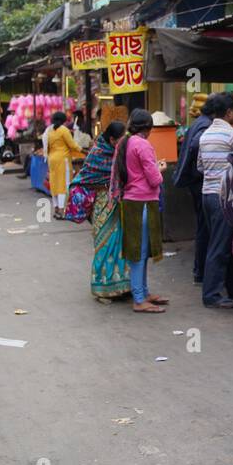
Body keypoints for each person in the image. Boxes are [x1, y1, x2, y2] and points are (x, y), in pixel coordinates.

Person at [67, 121, 132, 301]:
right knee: (104, 243)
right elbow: (86, 177)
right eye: (119, 141)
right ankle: (102, 289)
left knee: (120, 243)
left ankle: (122, 286)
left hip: (118, 203)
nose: (122, 144)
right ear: (111, 139)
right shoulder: (97, 154)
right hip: (103, 202)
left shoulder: (121, 153)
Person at [111, 108, 167, 313]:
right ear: (148, 128)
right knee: (139, 253)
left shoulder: (124, 143)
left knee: (139, 252)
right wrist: (160, 169)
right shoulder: (143, 145)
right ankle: (139, 298)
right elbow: (154, 179)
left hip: (130, 201)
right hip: (143, 202)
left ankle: (143, 292)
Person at [197, 93, 233, 309]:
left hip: (207, 195)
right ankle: (212, 295)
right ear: (228, 113)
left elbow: (200, 167)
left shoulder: (206, 134)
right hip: (223, 197)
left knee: (219, 243)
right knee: (219, 246)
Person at [175, 95, 215, 286]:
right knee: (204, 228)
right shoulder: (205, 126)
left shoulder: (200, 122)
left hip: (195, 181)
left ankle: (200, 271)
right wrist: (203, 167)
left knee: (203, 227)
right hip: (199, 182)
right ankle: (201, 272)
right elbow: (196, 145)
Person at [43, 111, 84, 217]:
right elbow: (72, 145)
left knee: (54, 183)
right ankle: (62, 210)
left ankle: (56, 208)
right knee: (63, 184)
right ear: (63, 120)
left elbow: (45, 145)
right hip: (62, 159)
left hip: (52, 159)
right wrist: (83, 150)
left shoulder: (49, 130)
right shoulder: (64, 130)